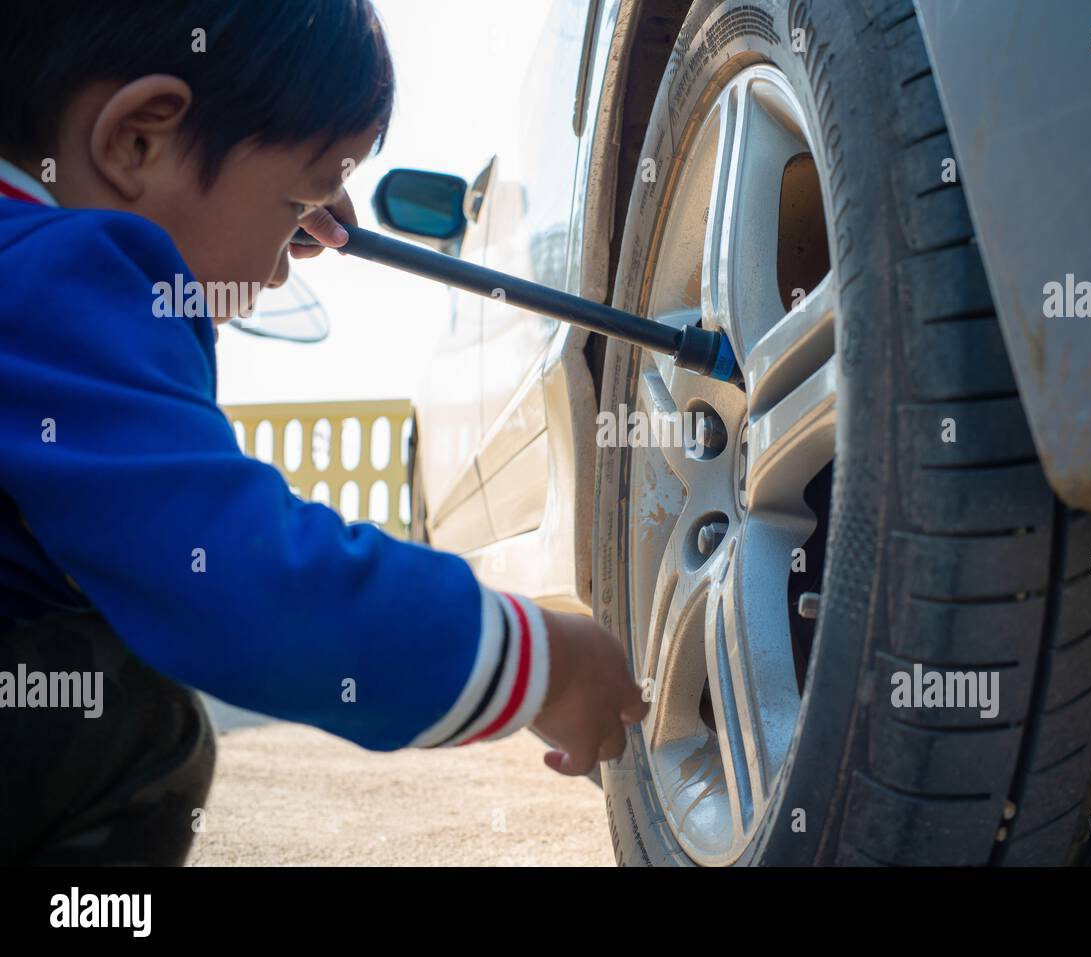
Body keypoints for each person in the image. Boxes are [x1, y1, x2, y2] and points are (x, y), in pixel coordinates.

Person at [0, 0, 647, 865]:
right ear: (136, 142)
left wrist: (278, 188)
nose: (284, 262)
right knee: (131, 719)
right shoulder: (61, 278)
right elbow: (247, 581)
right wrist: (544, 661)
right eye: (297, 204)